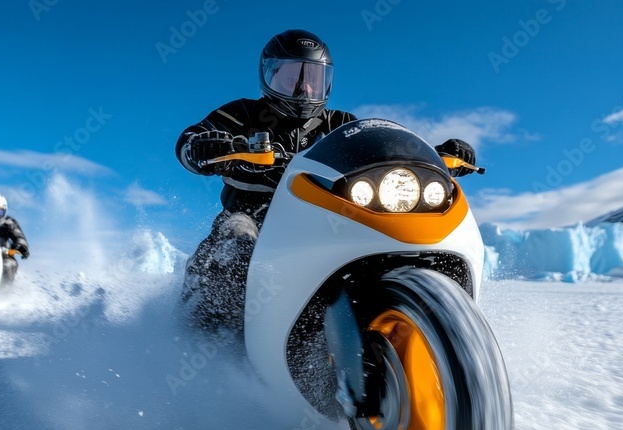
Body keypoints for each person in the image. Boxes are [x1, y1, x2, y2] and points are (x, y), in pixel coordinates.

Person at [176, 29, 478, 331]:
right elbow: (189, 142)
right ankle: (220, 335)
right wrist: (205, 145)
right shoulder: (241, 114)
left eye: (314, 78)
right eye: (292, 76)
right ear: (269, 76)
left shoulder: (342, 125)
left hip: (323, 219)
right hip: (253, 217)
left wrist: (429, 157)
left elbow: (380, 151)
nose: (303, 87)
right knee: (238, 240)